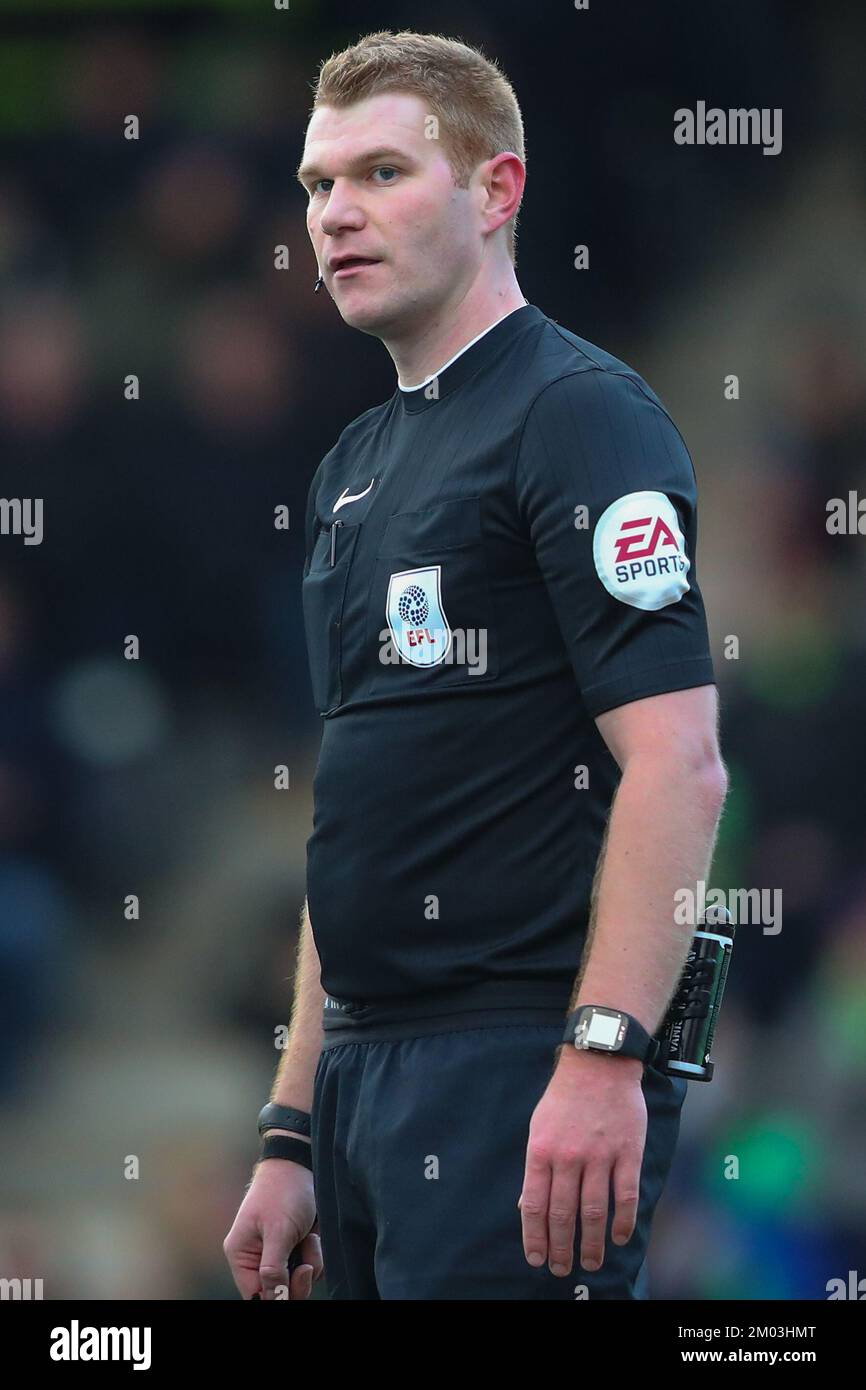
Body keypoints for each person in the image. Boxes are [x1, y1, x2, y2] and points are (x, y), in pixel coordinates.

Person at [224, 29, 727, 1301]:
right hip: (365, 1077)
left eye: (381, 173)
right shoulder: (347, 470)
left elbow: (678, 763)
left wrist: (605, 1052)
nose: (334, 214)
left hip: (521, 1061)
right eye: (316, 184)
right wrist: (293, 1126)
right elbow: (358, 812)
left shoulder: (577, 413)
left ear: (495, 191)